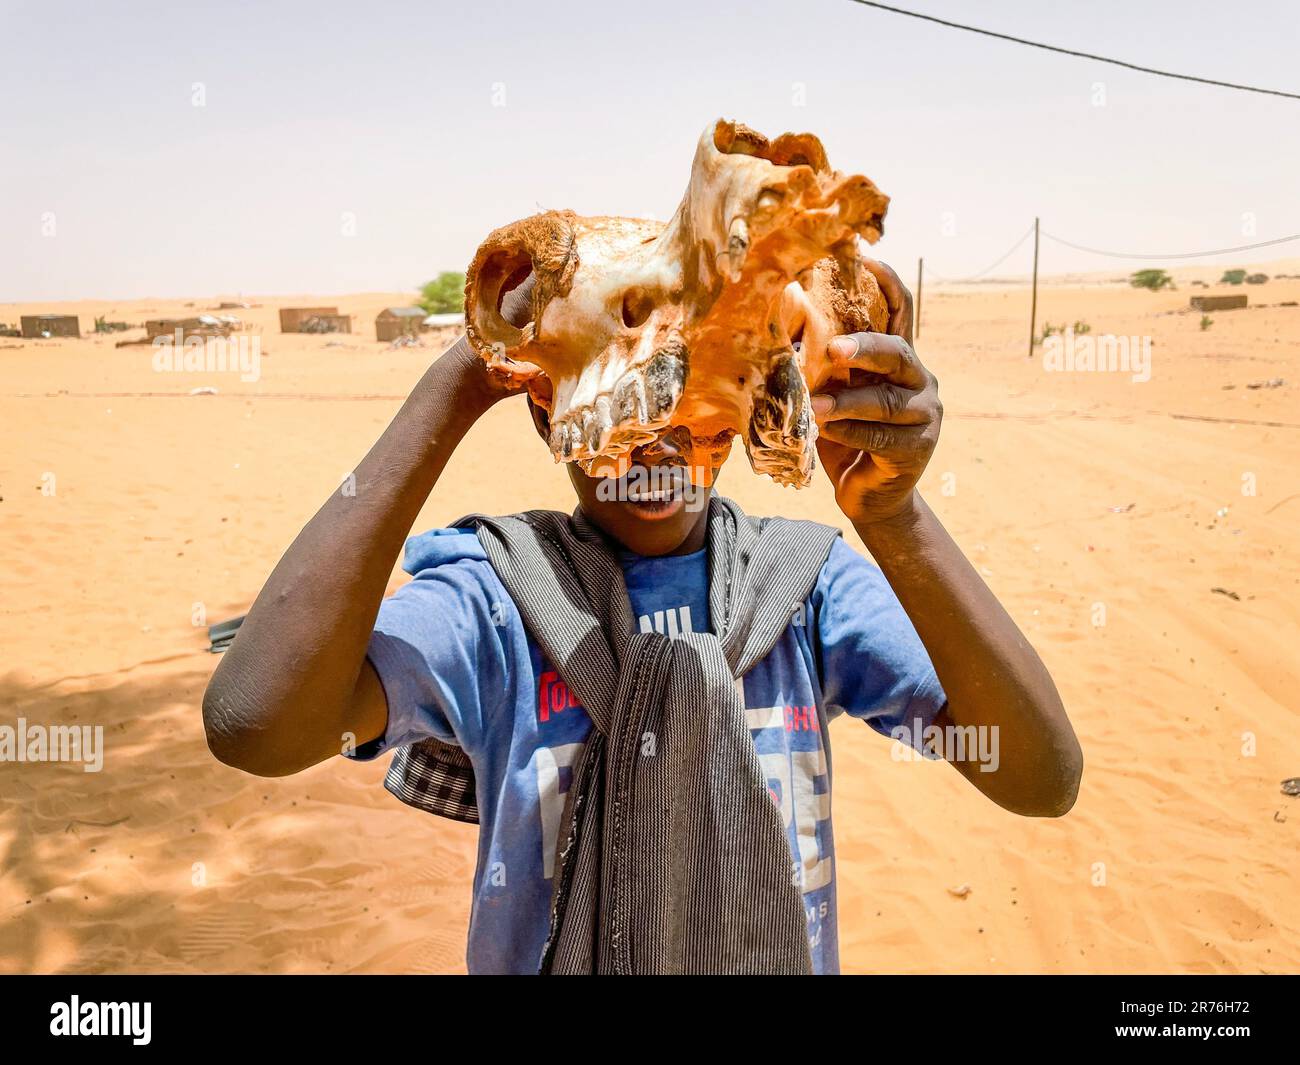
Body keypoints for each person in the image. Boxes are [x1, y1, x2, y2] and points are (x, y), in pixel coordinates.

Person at [202, 261, 1082, 974]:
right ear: (550, 409)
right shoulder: (500, 599)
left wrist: (895, 518)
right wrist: (464, 380)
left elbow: (1040, 776)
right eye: (620, 400)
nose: (658, 442)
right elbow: (259, 723)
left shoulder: (805, 591)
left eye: (699, 398)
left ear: (746, 410)